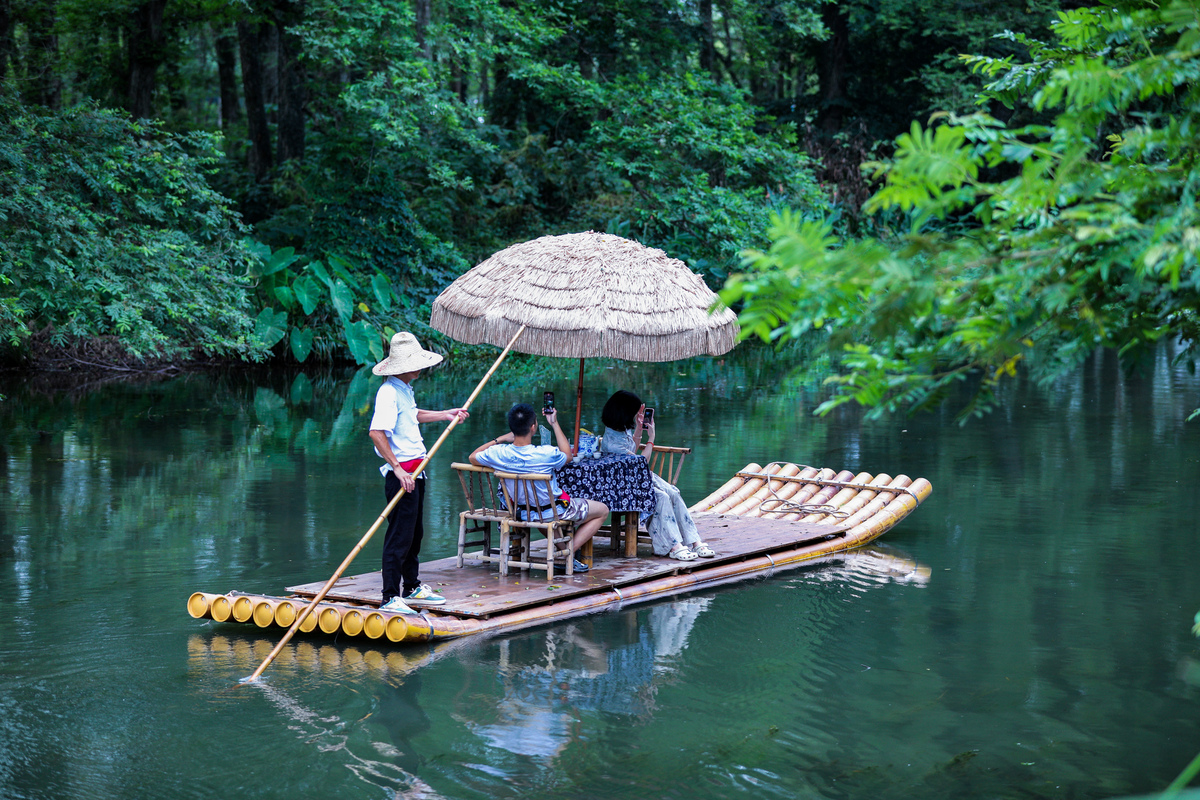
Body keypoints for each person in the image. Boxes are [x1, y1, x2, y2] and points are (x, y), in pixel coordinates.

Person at [368, 331, 470, 615]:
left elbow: (411, 415)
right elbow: (376, 432)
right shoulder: (388, 392)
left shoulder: (403, 388)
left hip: (417, 471)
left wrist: (445, 414)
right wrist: (398, 469)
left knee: (415, 534)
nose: (420, 367)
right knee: (399, 535)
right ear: (402, 366)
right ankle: (390, 596)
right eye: (415, 363)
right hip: (403, 475)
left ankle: (411, 587)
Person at [469, 403, 608, 574]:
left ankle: (564, 553)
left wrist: (500, 439)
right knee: (602, 510)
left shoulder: (498, 453)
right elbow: (568, 456)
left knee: (541, 510)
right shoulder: (546, 453)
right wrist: (554, 423)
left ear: (512, 428)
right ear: (533, 427)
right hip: (549, 512)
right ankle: (567, 553)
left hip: (522, 512)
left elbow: (472, 457)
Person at [599, 390, 715, 560]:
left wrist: (639, 429)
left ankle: (694, 541)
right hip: (623, 488)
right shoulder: (612, 442)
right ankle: (673, 546)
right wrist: (651, 438)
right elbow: (641, 462)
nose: (636, 414)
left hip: (636, 479)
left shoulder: (619, 429)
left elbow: (632, 450)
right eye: (634, 411)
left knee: (673, 492)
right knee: (660, 497)